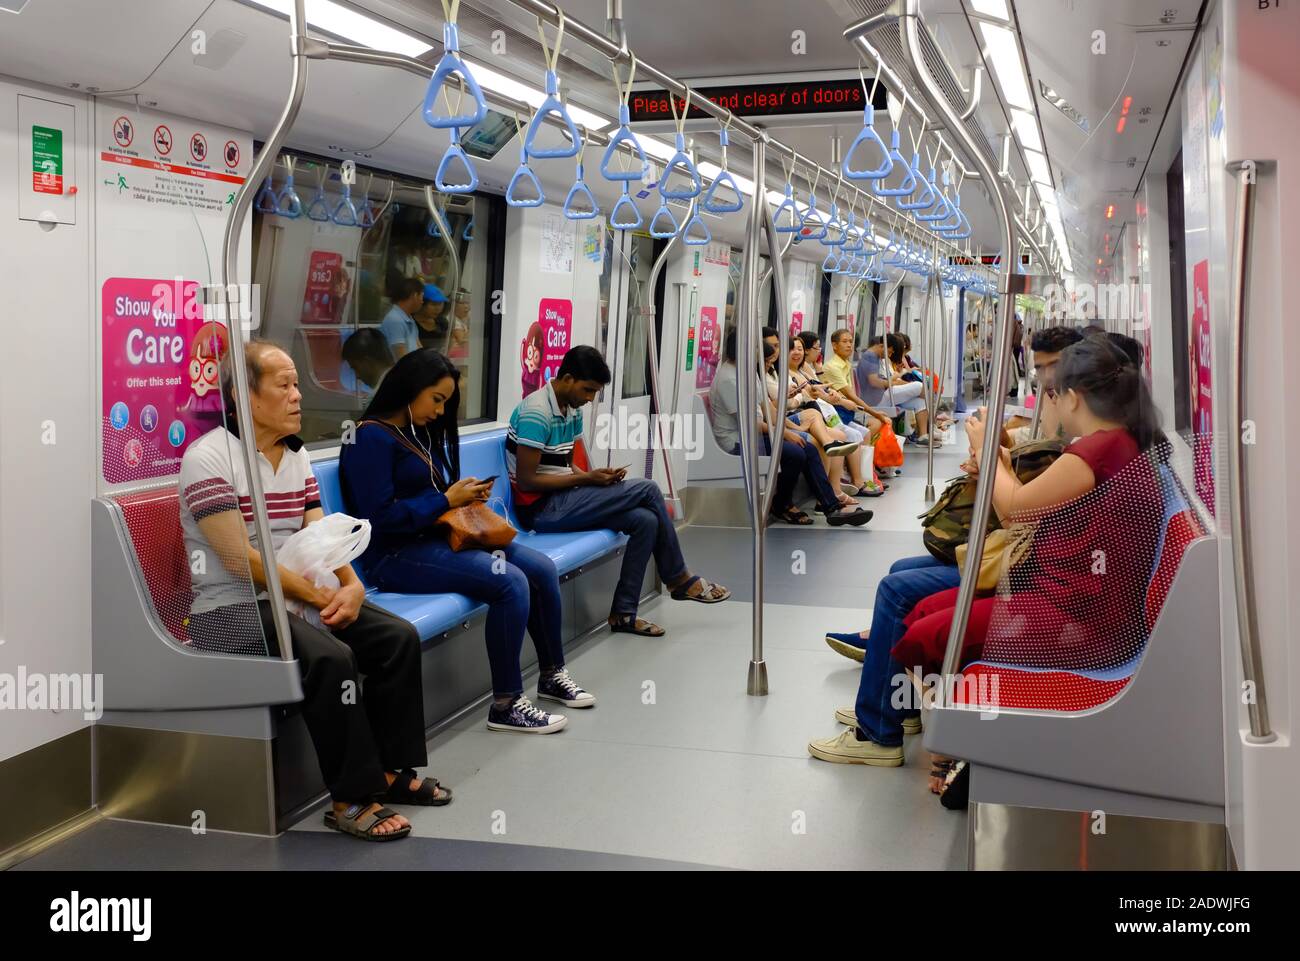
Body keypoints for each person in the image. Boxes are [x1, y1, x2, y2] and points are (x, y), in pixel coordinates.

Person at [808, 336, 1165, 770]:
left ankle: (919, 738)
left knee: (924, 628)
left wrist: (982, 449)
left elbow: (1014, 511)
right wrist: (1002, 466)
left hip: (1079, 616)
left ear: (1073, 397)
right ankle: (916, 724)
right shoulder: (1114, 445)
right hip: (1072, 596)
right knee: (922, 614)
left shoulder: (1097, 450)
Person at [181, 340, 444, 842]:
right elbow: (241, 561)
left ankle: (388, 771)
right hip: (229, 611)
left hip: (296, 596)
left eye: (298, 383)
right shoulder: (209, 458)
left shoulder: (295, 457)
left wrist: (352, 586)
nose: (299, 395)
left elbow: (324, 537)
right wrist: (321, 597)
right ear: (244, 395)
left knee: (397, 638)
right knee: (332, 658)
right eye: (284, 385)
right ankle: (349, 797)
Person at [340, 348, 589, 735]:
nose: (439, 412)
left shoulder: (411, 434)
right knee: (510, 581)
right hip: (395, 556)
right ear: (410, 387)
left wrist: (462, 496)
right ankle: (506, 703)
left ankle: (552, 673)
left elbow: (428, 495)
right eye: (436, 400)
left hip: (437, 538)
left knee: (540, 568)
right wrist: (445, 500)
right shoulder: (367, 439)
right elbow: (379, 519)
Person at [509, 346, 733, 637]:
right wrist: (586, 480)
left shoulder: (570, 409)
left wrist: (590, 477)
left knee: (645, 521)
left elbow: (564, 466)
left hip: (564, 498)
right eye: (587, 390)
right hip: (539, 509)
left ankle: (623, 613)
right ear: (566, 378)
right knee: (650, 489)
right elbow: (527, 481)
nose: (589, 399)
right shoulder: (536, 412)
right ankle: (678, 578)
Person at [709, 328, 871, 528]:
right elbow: (749, 424)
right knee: (796, 453)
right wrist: (786, 434)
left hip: (756, 436)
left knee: (807, 448)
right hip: (738, 441)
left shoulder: (749, 372)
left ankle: (831, 507)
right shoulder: (730, 379)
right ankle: (783, 504)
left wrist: (794, 429)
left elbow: (768, 410)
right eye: (758, 348)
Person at [340, 327, 395, 398]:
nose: (357, 376)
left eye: (356, 368)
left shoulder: (382, 397)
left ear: (367, 362)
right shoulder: (405, 378)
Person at [380, 277, 424, 359]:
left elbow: (419, 348)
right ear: (414, 295)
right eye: (422, 297)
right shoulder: (395, 320)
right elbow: (402, 358)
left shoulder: (409, 318)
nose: (422, 301)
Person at [414, 284, 449, 349]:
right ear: (421, 303)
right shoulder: (411, 324)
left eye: (441, 304)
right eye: (434, 304)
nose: (438, 308)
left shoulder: (442, 322)